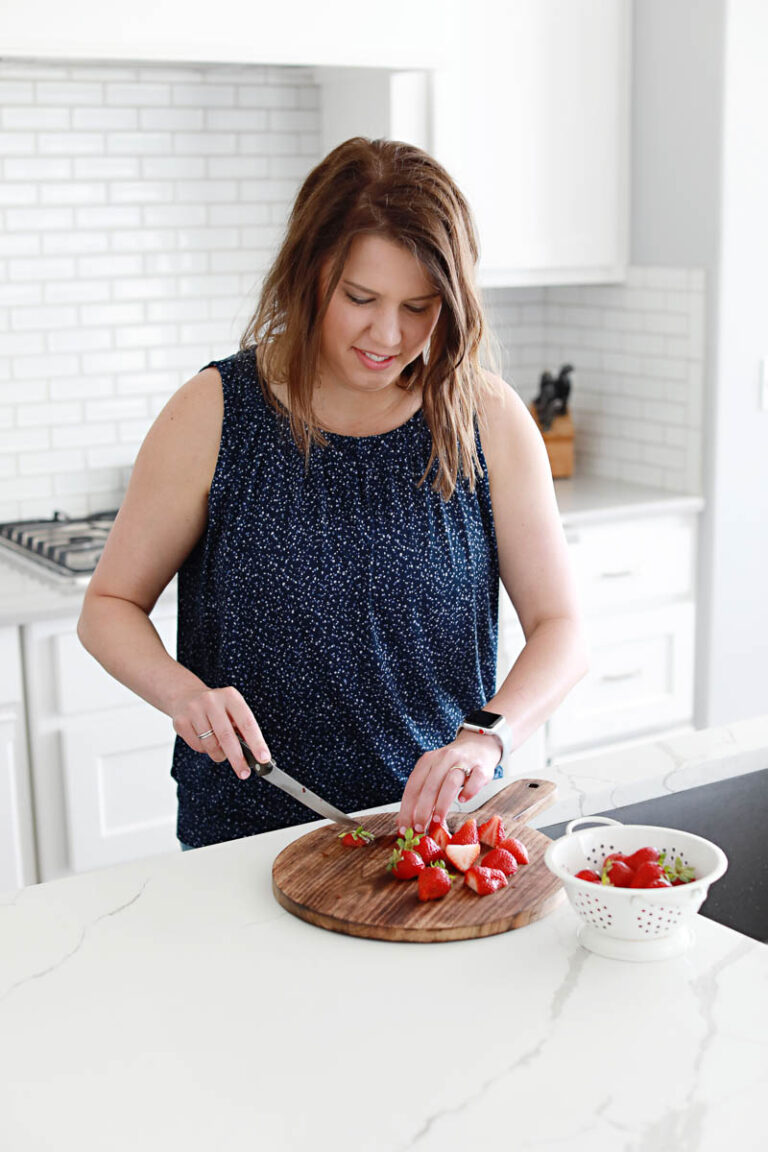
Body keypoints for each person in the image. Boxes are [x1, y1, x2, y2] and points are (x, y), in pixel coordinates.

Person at [77, 136, 588, 851]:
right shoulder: (214, 412)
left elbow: (562, 628)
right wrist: (183, 693)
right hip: (243, 837)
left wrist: (487, 738)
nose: (389, 334)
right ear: (308, 272)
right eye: (360, 298)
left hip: (433, 836)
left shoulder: (488, 419)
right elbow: (108, 606)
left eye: (419, 306)